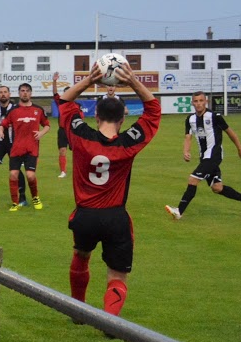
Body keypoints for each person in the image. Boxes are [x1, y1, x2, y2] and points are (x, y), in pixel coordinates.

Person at [52, 67, 160, 317]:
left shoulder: (80, 136)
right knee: (117, 275)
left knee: (81, 256)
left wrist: (89, 80)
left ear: (96, 116)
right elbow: (153, 110)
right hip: (115, 217)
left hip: (85, 216)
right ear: (123, 119)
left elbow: (65, 102)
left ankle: (77, 311)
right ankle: (111, 323)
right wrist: (132, 80)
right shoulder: (128, 143)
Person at [165, 91, 241, 220]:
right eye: (196, 101)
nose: (198, 104)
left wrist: (240, 148)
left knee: (193, 179)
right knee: (217, 188)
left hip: (214, 154)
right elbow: (188, 137)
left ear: (206, 101)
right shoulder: (190, 119)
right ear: (192, 103)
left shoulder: (214, 116)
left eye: (201, 101)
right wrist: (186, 151)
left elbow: (230, 132)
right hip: (204, 156)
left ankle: (179, 211)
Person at [2, 83, 51, 211]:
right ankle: (15, 203)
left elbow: (47, 125)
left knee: (30, 176)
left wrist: (41, 133)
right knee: (13, 175)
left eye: (27, 91)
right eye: (22, 91)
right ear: (19, 93)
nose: (25, 93)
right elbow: (4, 124)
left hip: (32, 148)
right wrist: (0, 130)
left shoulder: (38, 110)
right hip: (16, 148)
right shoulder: (13, 111)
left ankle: (35, 197)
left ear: (31, 93)